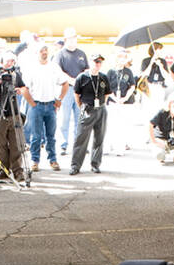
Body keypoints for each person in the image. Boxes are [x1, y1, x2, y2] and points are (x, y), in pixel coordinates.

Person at [21, 43, 69, 172]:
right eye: (42, 51)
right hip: (36, 105)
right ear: (37, 53)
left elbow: (65, 84)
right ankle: (34, 161)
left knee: (51, 136)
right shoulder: (31, 68)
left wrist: (59, 99)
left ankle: (53, 160)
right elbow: (24, 88)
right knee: (35, 136)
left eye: (46, 50)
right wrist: (32, 103)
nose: (44, 53)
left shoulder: (54, 67)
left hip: (51, 105)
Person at [0, 52, 30, 177]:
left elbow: (24, 88)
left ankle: (18, 170)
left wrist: (20, 90)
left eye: (12, 61)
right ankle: (3, 170)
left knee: (16, 143)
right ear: (1, 61)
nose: (10, 63)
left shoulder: (15, 75)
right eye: (8, 61)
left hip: (13, 112)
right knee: (0, 144)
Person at [69, 55, 112, 176]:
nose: (98, 64)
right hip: (87, 108)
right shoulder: (82, 77)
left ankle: (95, 164)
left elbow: (107, 93)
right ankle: (75, 165)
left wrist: (101, 104)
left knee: (99, 138)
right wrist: (83, 107)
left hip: (101, 109)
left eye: (100, 62)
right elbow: (76, 94)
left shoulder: (103, 77)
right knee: (81, 139)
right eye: (96, 61)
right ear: (91, 62)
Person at [54, 28, 89, 159]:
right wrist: (72, 81)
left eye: (74, 37)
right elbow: (59, 71)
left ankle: (78, 144)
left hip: (80, 90)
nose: (73, 40)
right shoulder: (60, 54)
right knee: (64, 117)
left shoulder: (81, 54)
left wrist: (80, 81)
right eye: (70, 38)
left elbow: (86, 69)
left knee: (79, 118)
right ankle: (63, 144)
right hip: (66, 89)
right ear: (65, 40)